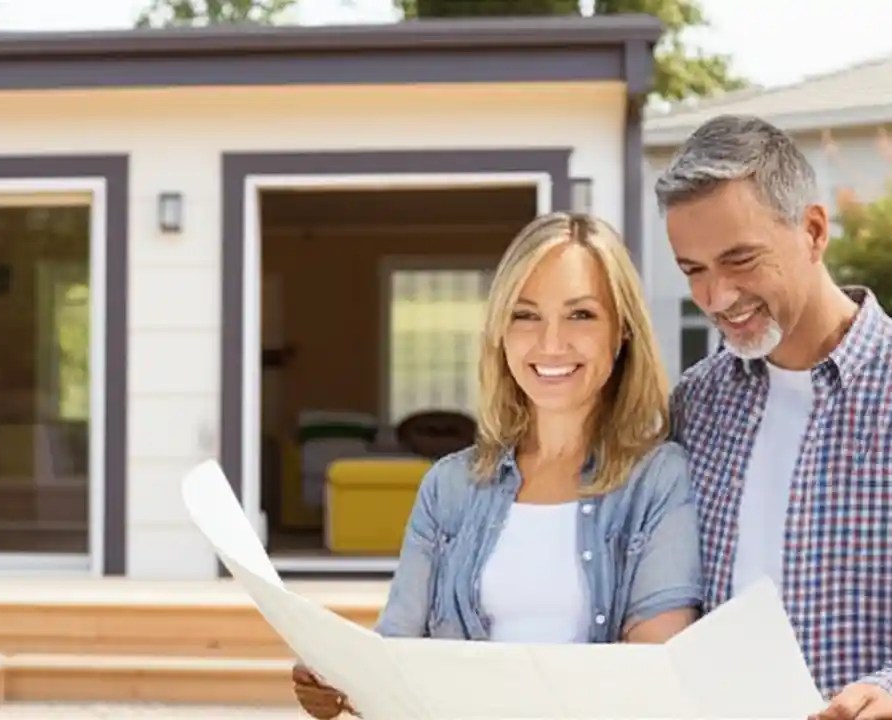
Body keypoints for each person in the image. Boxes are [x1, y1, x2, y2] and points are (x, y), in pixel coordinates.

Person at [291, 212, 704, 719]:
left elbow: (650, 679)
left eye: (580, 315)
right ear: (501, 332)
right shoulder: (449, 486)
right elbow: (395, 654)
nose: (551, 342)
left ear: (622, 333)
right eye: (525, 314)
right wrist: (344, 684)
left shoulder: (659, 480)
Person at [655, 114, 892, 720]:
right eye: (694, 270)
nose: (717, 297)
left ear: (814, 230)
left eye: (739, 259)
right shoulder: (695, 405)